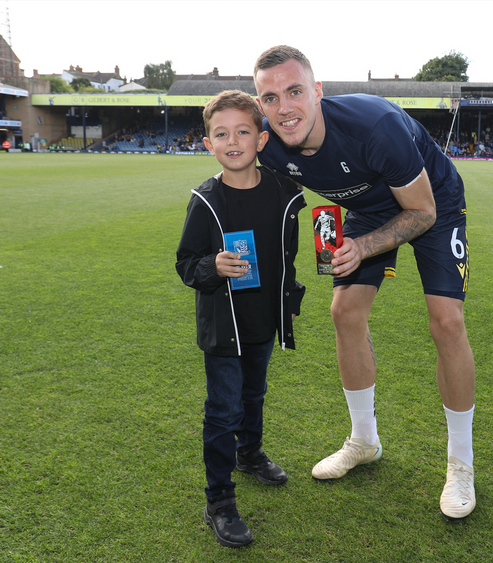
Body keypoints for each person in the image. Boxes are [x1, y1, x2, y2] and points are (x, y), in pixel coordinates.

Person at [253, 45, 477, 521]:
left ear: (317, 91)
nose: (284, 107)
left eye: (295, 91)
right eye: (270, 98)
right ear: (261, 105)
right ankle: (364, 441)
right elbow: (287, 204)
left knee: (446, 321)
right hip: (366, 209)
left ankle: (461, 463)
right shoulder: (267, 141)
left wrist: (365, 247)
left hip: (430, 203)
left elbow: (422, 212)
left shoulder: (375, 125)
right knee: (343, 311)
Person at [175, 90, 307, 548]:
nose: (232, 141)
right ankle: (220, 500)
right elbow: (186, 263)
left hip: (265, 320)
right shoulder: (206, 200)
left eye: (243, 131)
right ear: (208, 143)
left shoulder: (283, 192)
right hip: (223, 328)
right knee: (223, 409)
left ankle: (249, 453)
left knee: (255, 393)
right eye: (221, 134)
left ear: (262, 139)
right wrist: (213, 266)